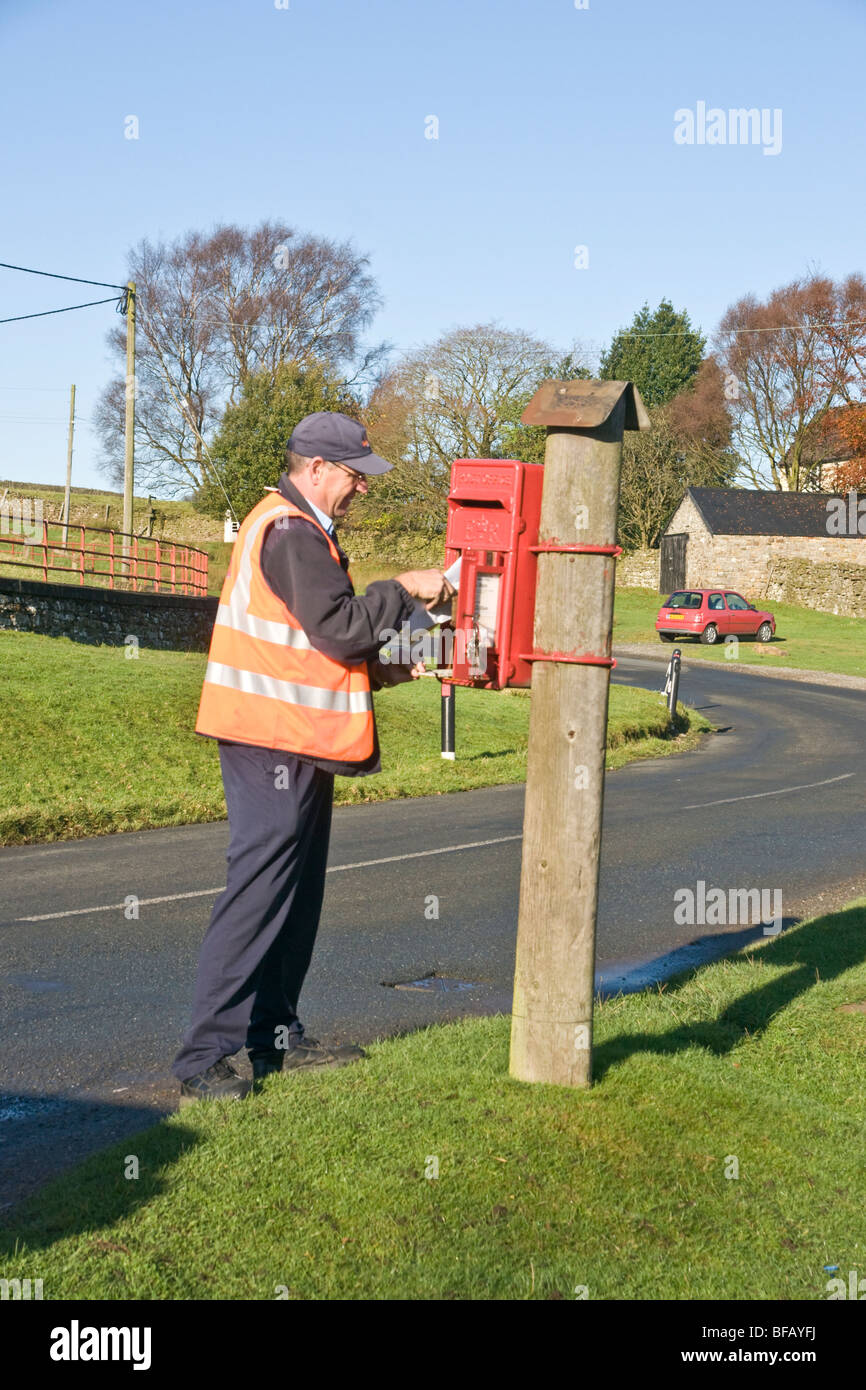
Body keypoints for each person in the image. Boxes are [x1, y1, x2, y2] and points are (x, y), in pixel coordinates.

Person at [172, 411, 453, 1104]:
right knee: (261, 890)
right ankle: (203, 1058)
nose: (362, 489)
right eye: (356, 476)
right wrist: (404, 588)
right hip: (270, 738)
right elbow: (338, 628)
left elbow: (316, 644)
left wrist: (391, 667)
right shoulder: (292, 531)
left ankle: (273, 1035)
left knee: (293, 892)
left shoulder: (299, 528)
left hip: (294, 737)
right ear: (317, 468)